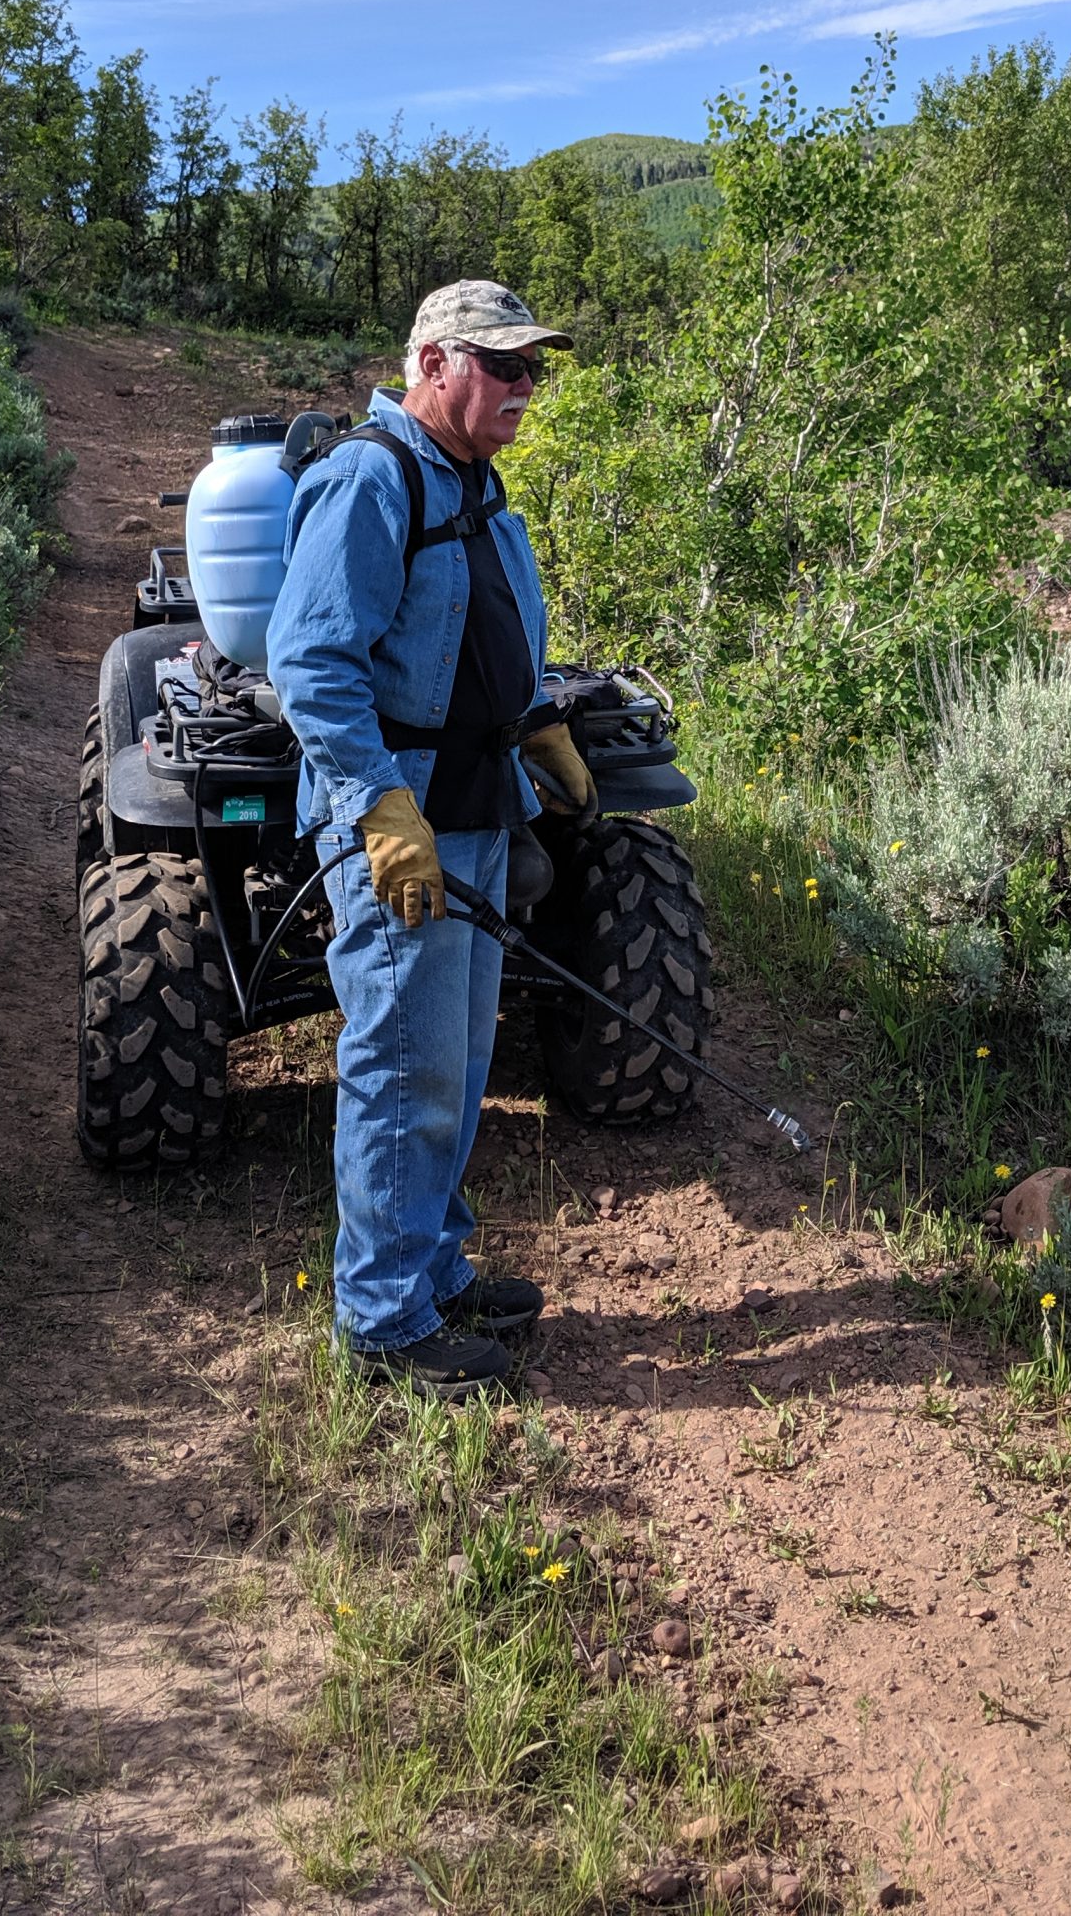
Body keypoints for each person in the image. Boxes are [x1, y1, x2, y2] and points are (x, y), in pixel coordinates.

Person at [266, 280, 599, 1395]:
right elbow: (311, 659)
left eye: (532, 367)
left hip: (477, 810)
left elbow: (493, 636)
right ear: (433, 362)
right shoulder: (373, 474)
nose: (524, 386)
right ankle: (381, 1320)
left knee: (450, 1066)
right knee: (400, 1069)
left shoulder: (477, 482)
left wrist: (541, 722)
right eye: (503, 364)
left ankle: (432, 1267)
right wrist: (376, 807)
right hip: (403, 823)